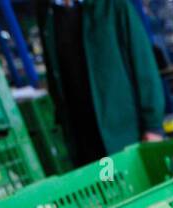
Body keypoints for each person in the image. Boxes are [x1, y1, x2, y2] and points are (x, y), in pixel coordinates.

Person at [37, 0, 166, 166]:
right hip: (82, 140)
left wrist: (153, 126)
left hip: (125, 134)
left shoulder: (114, 6)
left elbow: (143, 66)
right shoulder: (47, 14)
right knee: (102, 180)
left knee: (134, 178)